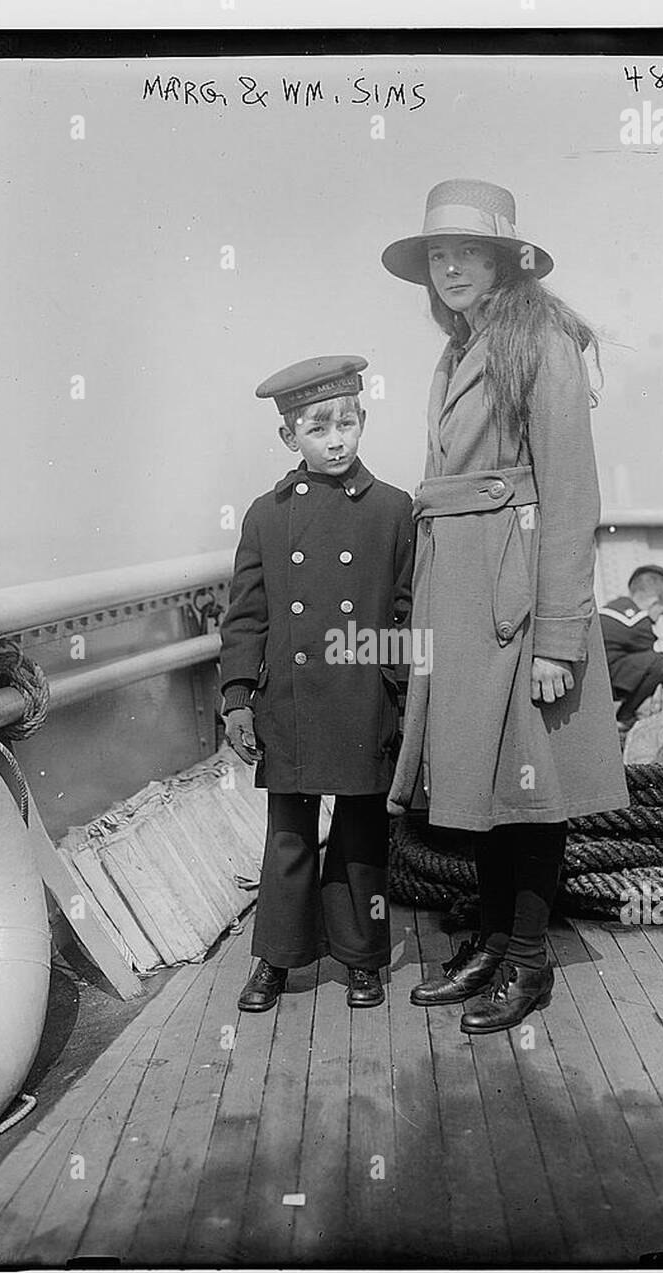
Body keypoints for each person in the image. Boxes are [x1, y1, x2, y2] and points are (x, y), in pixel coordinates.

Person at [381, 178, 627, 1035]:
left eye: (467, 252)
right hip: (459, 596)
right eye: (437, 255)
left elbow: (569, 492)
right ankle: (490, 938)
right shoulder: (461, 349)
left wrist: (559, 635)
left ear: (505, 260)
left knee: (530, 784)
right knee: (484, 780)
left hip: (516, 602)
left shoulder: (540, 341)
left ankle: (526, 957)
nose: (449, 268)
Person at [220, 356, 413, 1011]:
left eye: (347, 423)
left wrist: (399, 691)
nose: (336, 439)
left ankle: (360, 958)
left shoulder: (393, 509)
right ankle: (276, 960)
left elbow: (407, 610)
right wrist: (238, 699)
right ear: (289, 438)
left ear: (362, 422)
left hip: (364, 699)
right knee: (288, 836)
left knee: (362, 835)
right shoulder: (266, 516)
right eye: (318, 428)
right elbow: (246, 616)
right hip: (291, 703)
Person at [600, 564, 663, 724]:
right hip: (607, 679)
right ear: (653, 603)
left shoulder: (613, 608)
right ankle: (629, 716)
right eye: (660, 614)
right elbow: (653, 663)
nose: (656, 620)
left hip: (597, 674)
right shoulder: (639, 622)